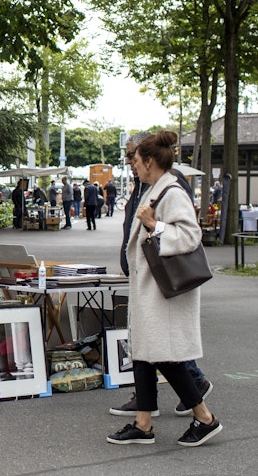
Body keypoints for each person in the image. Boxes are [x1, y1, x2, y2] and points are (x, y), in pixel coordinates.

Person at [106, 131, 222, 447]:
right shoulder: (155, 188)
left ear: (150, 161)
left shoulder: (171, 191)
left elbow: (190, 235)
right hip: (152, 288)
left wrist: (155, 225)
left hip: (164, 290)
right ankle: (143, 424)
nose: (133, 164)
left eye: (136, 159)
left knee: (164, 356)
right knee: (144, 351)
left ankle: (205, 417)